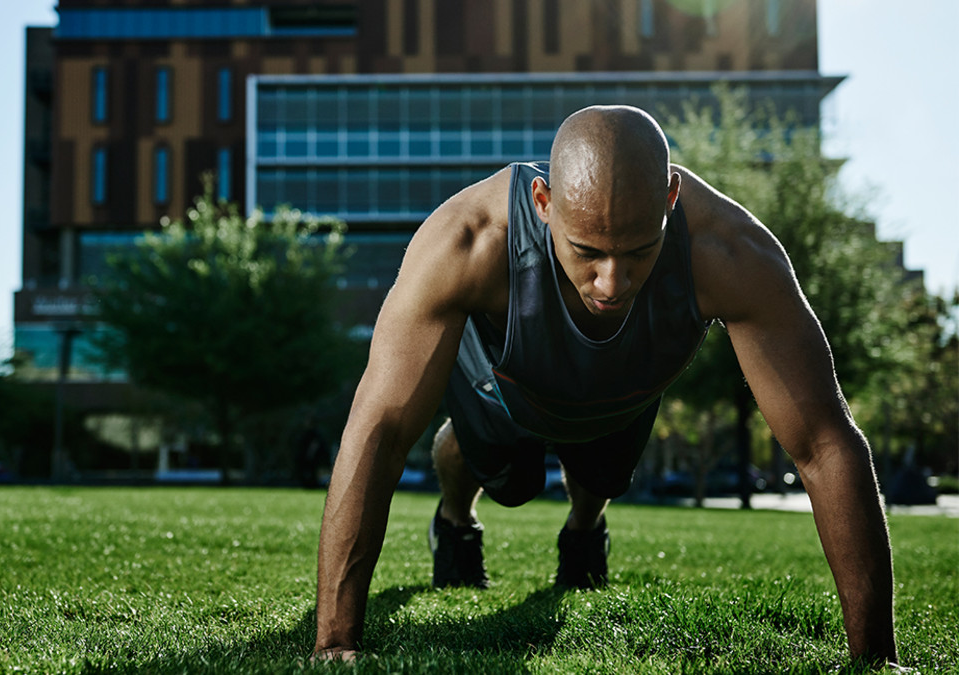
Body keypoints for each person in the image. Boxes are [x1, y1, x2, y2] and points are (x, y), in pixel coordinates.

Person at [312, 106, 898, 666]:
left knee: (603, 473)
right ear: (543, 203)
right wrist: (334, 641)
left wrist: (876, 659)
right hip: (506, 383)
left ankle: (584, 532)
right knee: (508, 477)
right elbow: (380, 429)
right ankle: (456, 520)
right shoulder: (468, 240)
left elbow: (823, 442)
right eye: (587, 252)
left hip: (623, 391)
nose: (612, 282)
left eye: (639, 251)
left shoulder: (729, 250)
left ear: (670, 197)